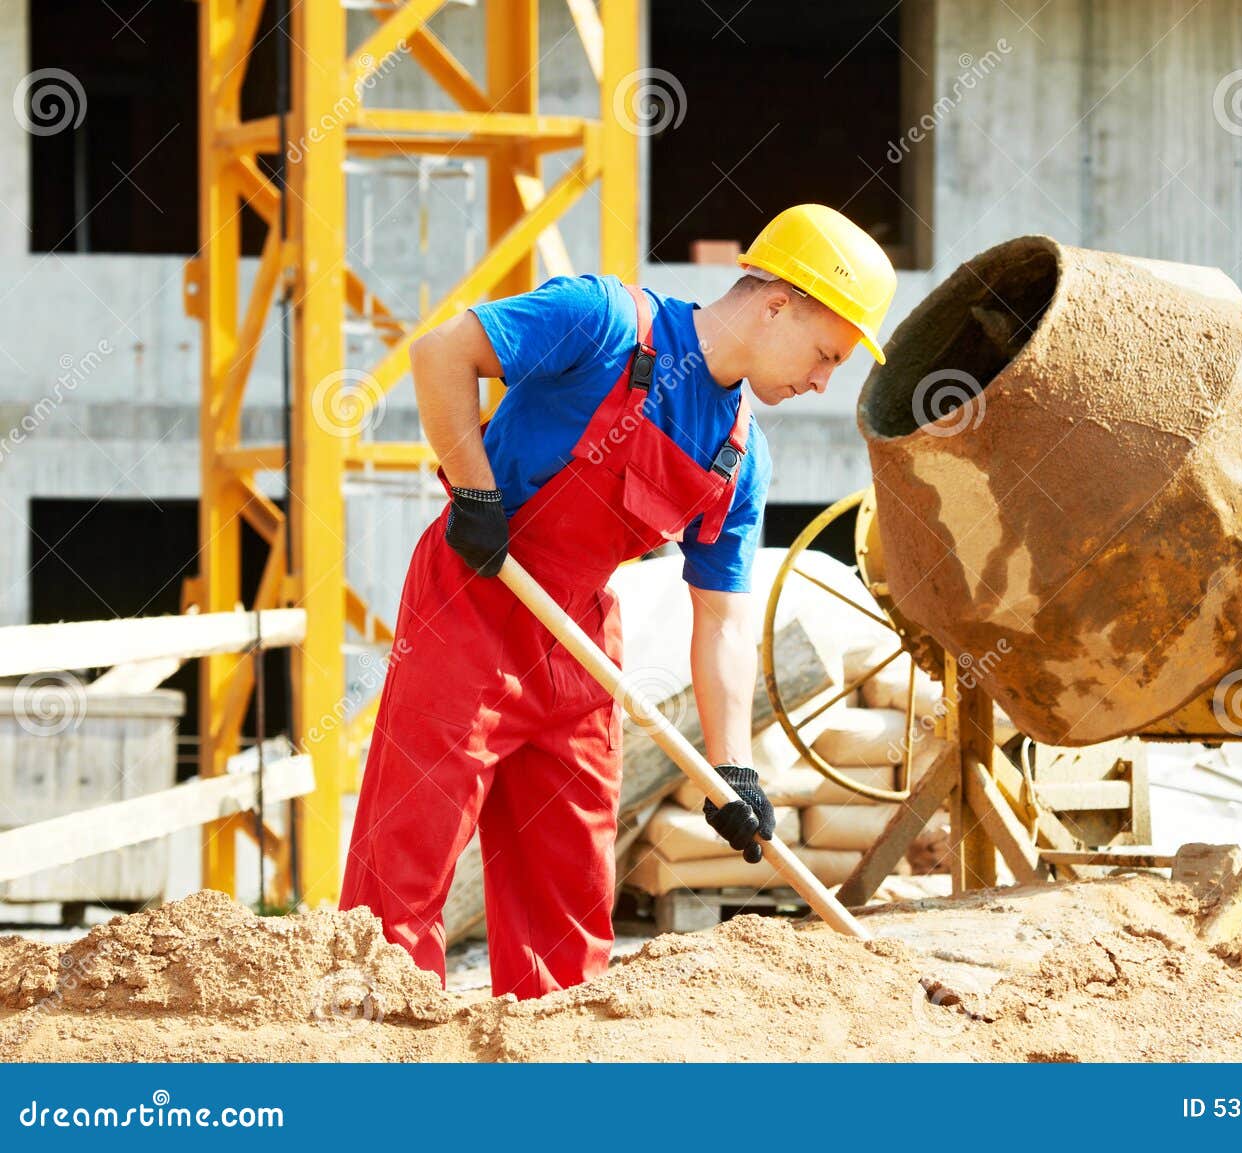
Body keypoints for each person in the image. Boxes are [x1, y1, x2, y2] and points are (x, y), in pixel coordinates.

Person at [339, 204, 897, 999]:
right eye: (825, 354)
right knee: (409, 854)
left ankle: (554, 1073)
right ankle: (368, 1049)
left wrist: (732, 768)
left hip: (578, 643)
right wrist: (473, 489)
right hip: (474, 598)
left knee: (567, 890)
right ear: (777, 306)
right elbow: (440, 354)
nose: (820, 382)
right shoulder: (600, 321)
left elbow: (722, 618)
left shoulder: (741, 454)